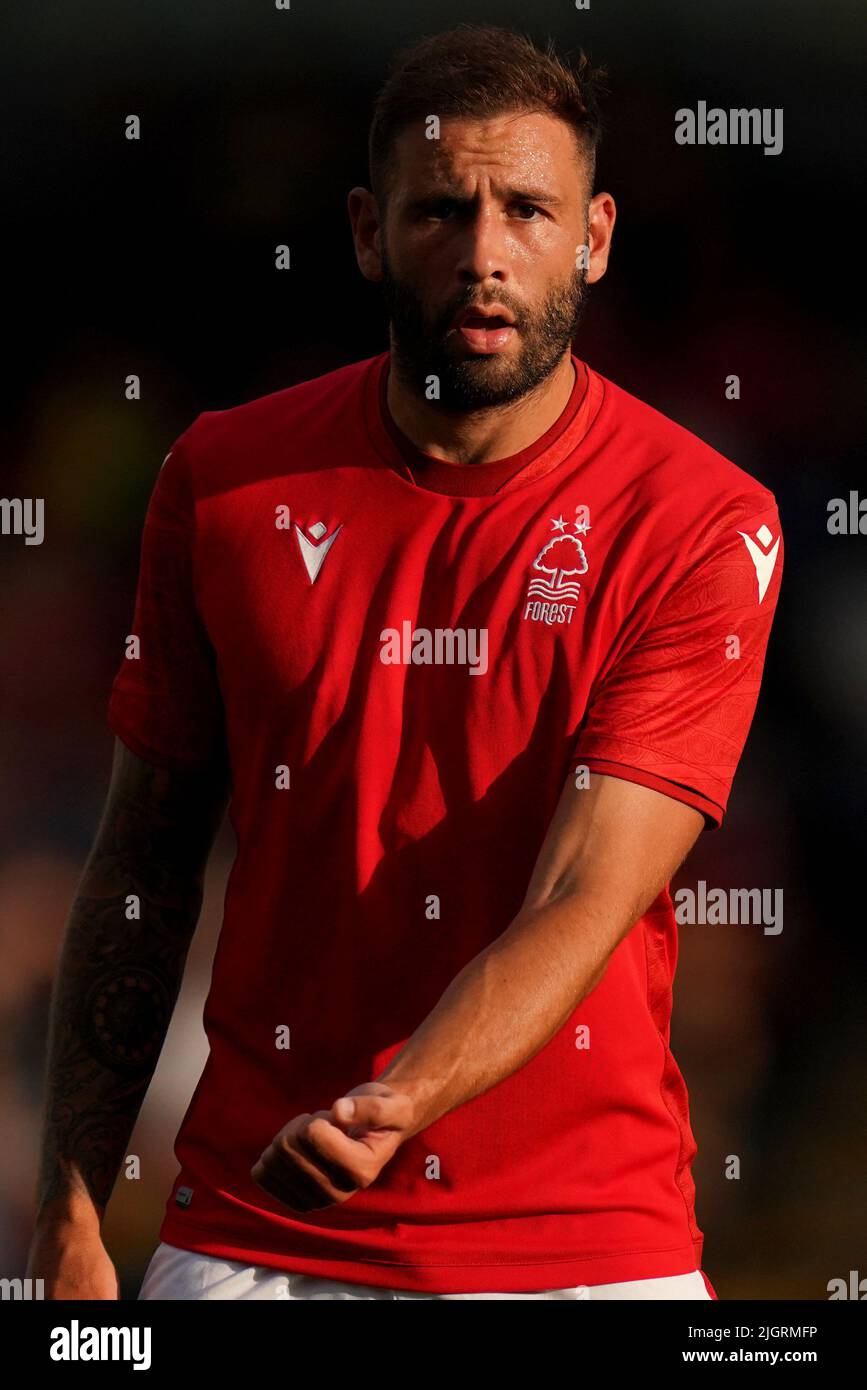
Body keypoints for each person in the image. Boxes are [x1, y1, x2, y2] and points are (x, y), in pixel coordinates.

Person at [27, 24, 783, 1301]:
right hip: (253, 1241)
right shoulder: (221, 483)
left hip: (584, 1252)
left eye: (529, 211)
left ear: (594, 237)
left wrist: (397, 1100)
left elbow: (581, 896)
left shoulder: (702, 520)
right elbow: (141, 864)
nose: (486, 255)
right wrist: (69, 1214)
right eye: (443, 210)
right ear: (370, 232)